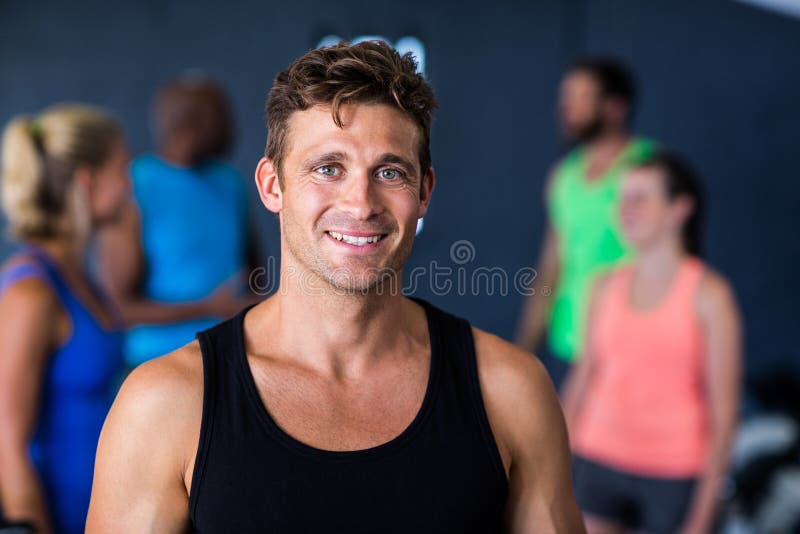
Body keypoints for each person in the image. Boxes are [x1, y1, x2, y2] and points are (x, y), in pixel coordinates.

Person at [86, 41, 585, 533]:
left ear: (424, 192)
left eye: (389, 172)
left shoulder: (510, 390)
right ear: (272, 186)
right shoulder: (164, 404)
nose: (361, 202)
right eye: (328, 168)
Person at [561, 152, 742, 533]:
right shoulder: (603, 286)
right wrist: (549, 465)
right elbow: (581, 380)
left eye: (641, 198)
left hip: (674, 473)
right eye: (623, 198)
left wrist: (702, 517)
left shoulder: (711, 297)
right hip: (596, 458)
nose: (627, 209)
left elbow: (725, 416)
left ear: (680, 209)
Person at [0, 105, 128, 534]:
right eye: (121, 169)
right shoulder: (30, 291)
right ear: (86, 181)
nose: (130, 186)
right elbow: (7, 447)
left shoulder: (80, 274)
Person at [96, 76, 259, 369]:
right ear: (187, 123)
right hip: (159, 363)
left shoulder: (229, 181)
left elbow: (254, 272)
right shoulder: (135, 184)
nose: (231, 128)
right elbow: (118, 307)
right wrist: (208, 308)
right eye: (221, 117)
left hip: (233, 355)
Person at [516, 58, 656, 391]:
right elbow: (551, 267)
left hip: (631, 353)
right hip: (569, 348)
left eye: (581, 97)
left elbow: (670, 265)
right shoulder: (564, 177)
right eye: (566, 97)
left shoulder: (649, 170)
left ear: (614, 107)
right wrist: (522, 351)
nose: (566, 108)